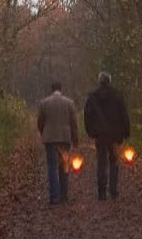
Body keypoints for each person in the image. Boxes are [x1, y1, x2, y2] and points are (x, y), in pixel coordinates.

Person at [84, 71, 130, 200]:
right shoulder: (117, 96)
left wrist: (90, 132)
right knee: (114, 162)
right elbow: (124, 115)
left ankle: (101, 192)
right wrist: (126, 132)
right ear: (109, 81)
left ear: (99, 81)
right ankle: (113, 191)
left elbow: (87, 116)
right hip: (115, 135)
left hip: (100, 135)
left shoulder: (92, 97)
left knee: (101, 162)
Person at [36, 81, 79, 205]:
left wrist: (44, 133)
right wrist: (75, 140)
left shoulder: (44, 103)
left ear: (52, 89)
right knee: (64, 166)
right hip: (65, 139)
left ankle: (54, 197)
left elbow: (40, 122)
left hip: (50, 140)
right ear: (61, 89)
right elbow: (74, 124)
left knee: (52, 168)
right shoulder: (69, 103)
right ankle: (64, 195)